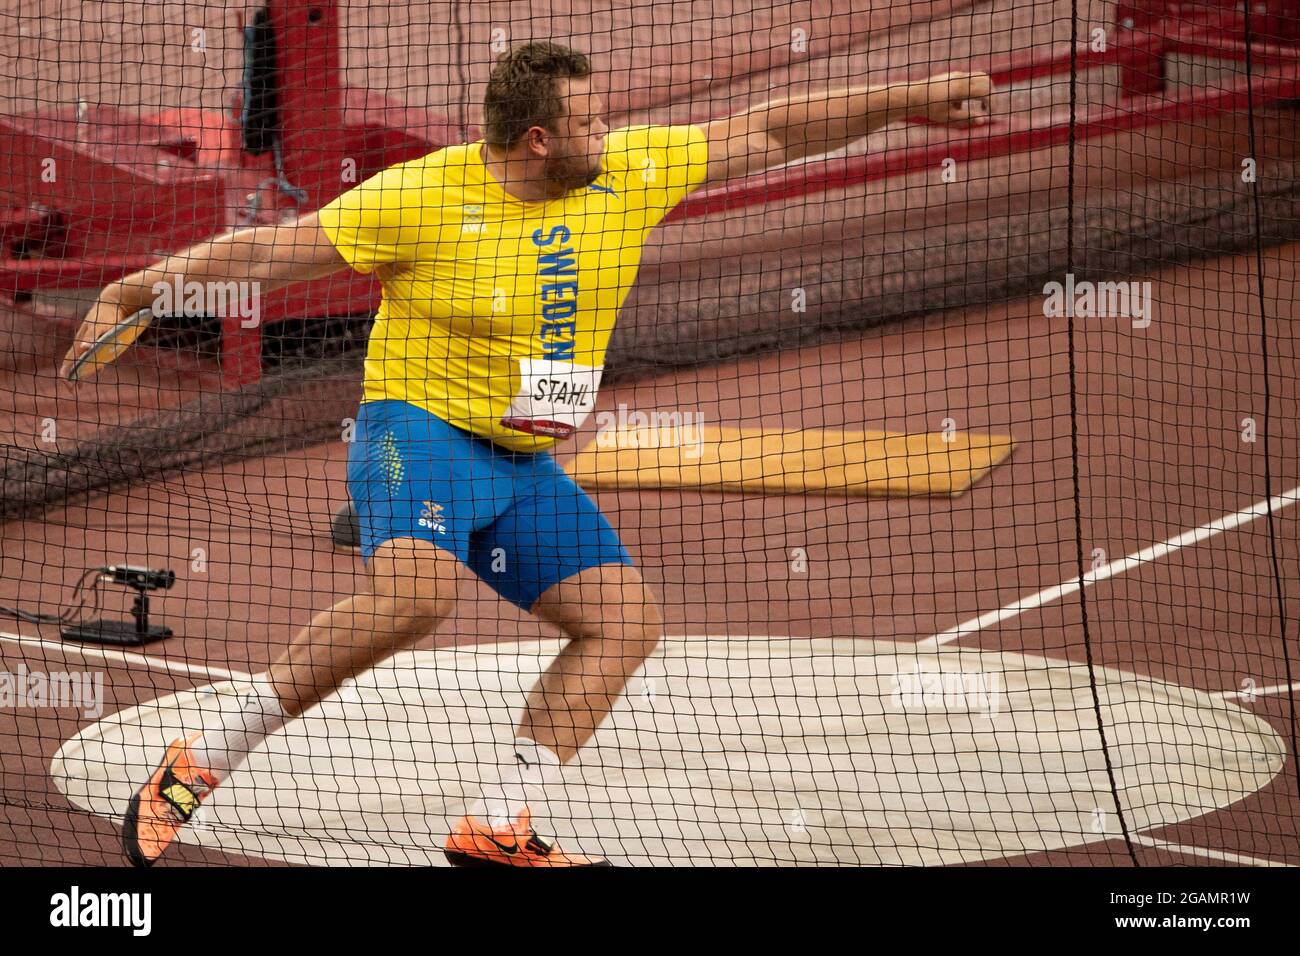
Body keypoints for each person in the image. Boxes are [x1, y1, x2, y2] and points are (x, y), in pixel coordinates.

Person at [62, 42, 991, 867]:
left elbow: (772, 132)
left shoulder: (627, 172)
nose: (611, 126)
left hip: (518, 460)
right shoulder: (421, 198)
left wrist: (909, 98)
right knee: (415, 599)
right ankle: (202, 759)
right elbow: (268, 255)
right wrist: (135, 288)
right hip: (416, 428)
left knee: (624, 621)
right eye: (590, 117)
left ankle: (499, 821)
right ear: (539, 139)